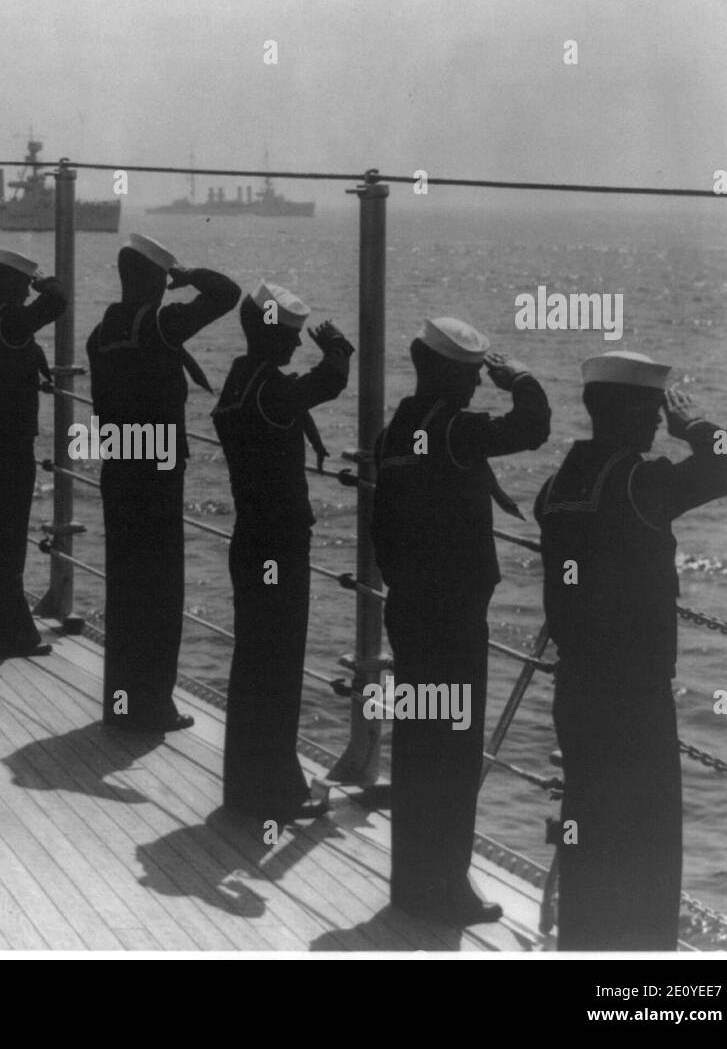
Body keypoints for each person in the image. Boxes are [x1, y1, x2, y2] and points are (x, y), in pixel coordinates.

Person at [536, 352, 727, 950]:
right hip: (633, 698)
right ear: (632, 413)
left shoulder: (556, 487)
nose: (659, 423)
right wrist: (697, 426)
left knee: (589, 828)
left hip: (575, 690)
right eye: (653, 411)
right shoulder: (641, 481)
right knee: (646, 845)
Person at [371, 317, 550, 926]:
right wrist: (518, 377)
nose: (478, 384)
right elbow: (533, 428)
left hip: (411, 608)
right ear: (448, 374)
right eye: (472, 374)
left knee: (420, 745)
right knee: (451, 750)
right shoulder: (451, 428)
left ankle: (414, 881)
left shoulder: (397, 428)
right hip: (451, 617)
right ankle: (445, 886)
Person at [86, 233, 240, 733]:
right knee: (159, 591)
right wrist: (190, 275)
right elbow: (227, 295)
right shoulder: (161, 323)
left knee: (126, 588)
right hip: (156, 473)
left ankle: (122, 701)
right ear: (156, 281)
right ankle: (152, 705)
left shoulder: (101, 331)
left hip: (119, 464)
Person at [213, 283, 353, 823]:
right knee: (279, 665)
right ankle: (277, 792)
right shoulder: (271, 391)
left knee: (253, 663)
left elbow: (294, 391)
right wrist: (337, 344)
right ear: (272, 336)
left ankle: (247, 786)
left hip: (250, 537)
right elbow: (330, 381)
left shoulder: (239, 379)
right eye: (291, 337)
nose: (297, 346)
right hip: (279, 543)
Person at [0, 248, 66, 656]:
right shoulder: (10, 319)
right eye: (23, 286)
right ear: (12, 286)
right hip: (9, 444)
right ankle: (9, 633)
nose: (26, 294)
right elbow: (56, 301)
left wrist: (28, 356)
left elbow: (0, 347)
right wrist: (45, 280)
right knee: (7, 542)